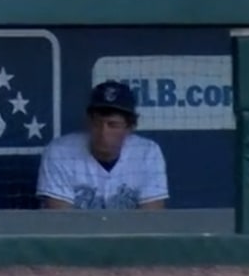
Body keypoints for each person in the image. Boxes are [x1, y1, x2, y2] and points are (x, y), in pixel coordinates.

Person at [37, 81, 168, 211]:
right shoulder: (61, 152)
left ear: (129, 127)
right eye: (97, 123)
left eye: (113, 125)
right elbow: (60, 223)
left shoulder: (148, 153)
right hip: (78, 232)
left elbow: (151, 220)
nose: (103, 132)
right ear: (87, 122)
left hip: (129, 232)